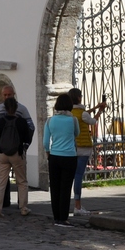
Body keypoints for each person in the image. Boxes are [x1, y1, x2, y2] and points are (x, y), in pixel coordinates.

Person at [0, 96, 33, 217]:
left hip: (2, 154)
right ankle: (23, 208)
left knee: (1, 183)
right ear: (16, 108)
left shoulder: (1, 121)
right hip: (17, 153)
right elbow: (27, 137)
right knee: (22, 181)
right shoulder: (21, 121)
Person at [68, 88, 106, 216]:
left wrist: (95, 107)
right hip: (83, 148)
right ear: (79, 98)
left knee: (71, 176)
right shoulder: (83, 114)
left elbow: (84, 114)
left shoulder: (70, 112)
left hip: (71, 148)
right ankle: (77, 205)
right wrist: (100, 111)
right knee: (78, 176)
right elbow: (92, 121)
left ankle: (72, 204)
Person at [43, 92, 79, 227]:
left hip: (54, 156)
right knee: (65, 187)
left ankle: (56, 216)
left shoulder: (50, 120)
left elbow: (46, 142)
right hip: (69, 156)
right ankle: (63, 218)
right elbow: (77, 133)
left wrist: (48, 153)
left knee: (55, 187)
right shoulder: (73, 120)